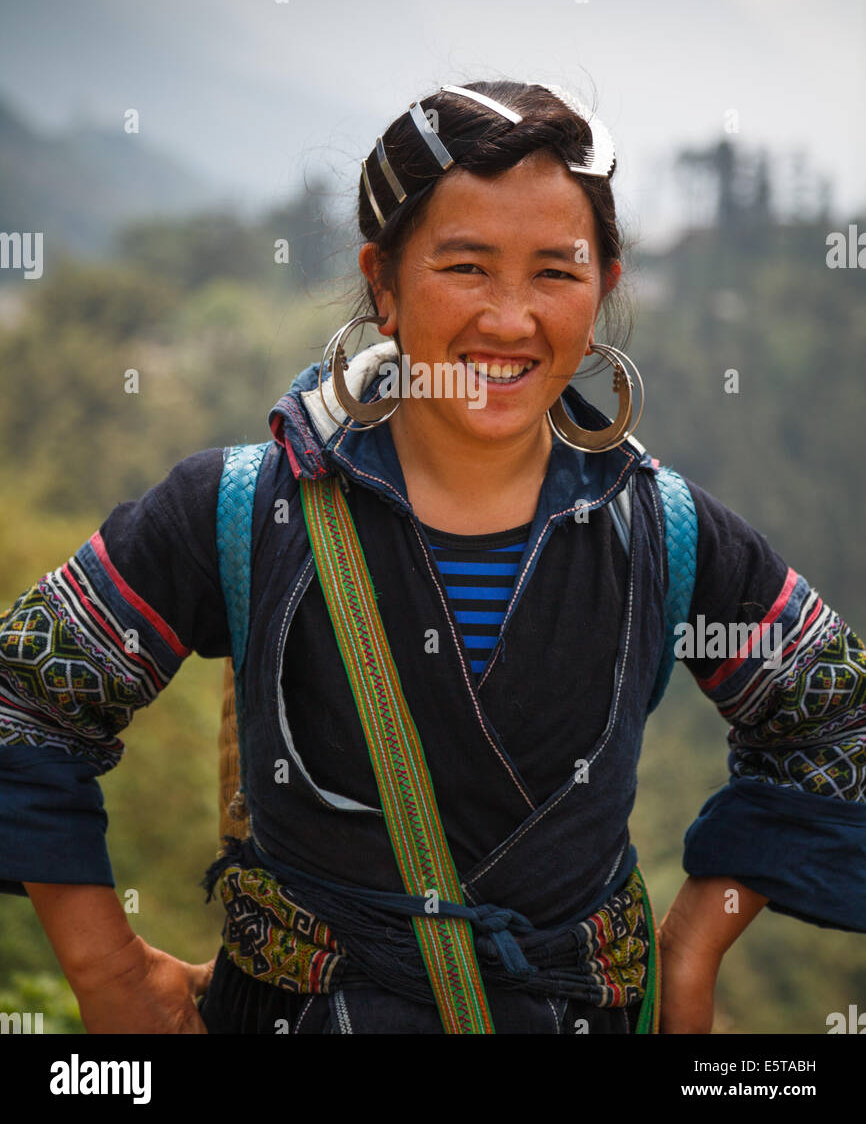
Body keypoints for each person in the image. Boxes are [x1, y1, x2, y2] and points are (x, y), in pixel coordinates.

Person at [1, 80, 864, 1035]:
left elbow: (838, 727)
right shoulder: (241, 511)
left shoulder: (664, 533)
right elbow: (22, 700)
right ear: (384, 282)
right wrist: (105, 970)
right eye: (466, 267)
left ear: (606, 288)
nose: (508, 319)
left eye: (555, 272)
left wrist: (693, 944)